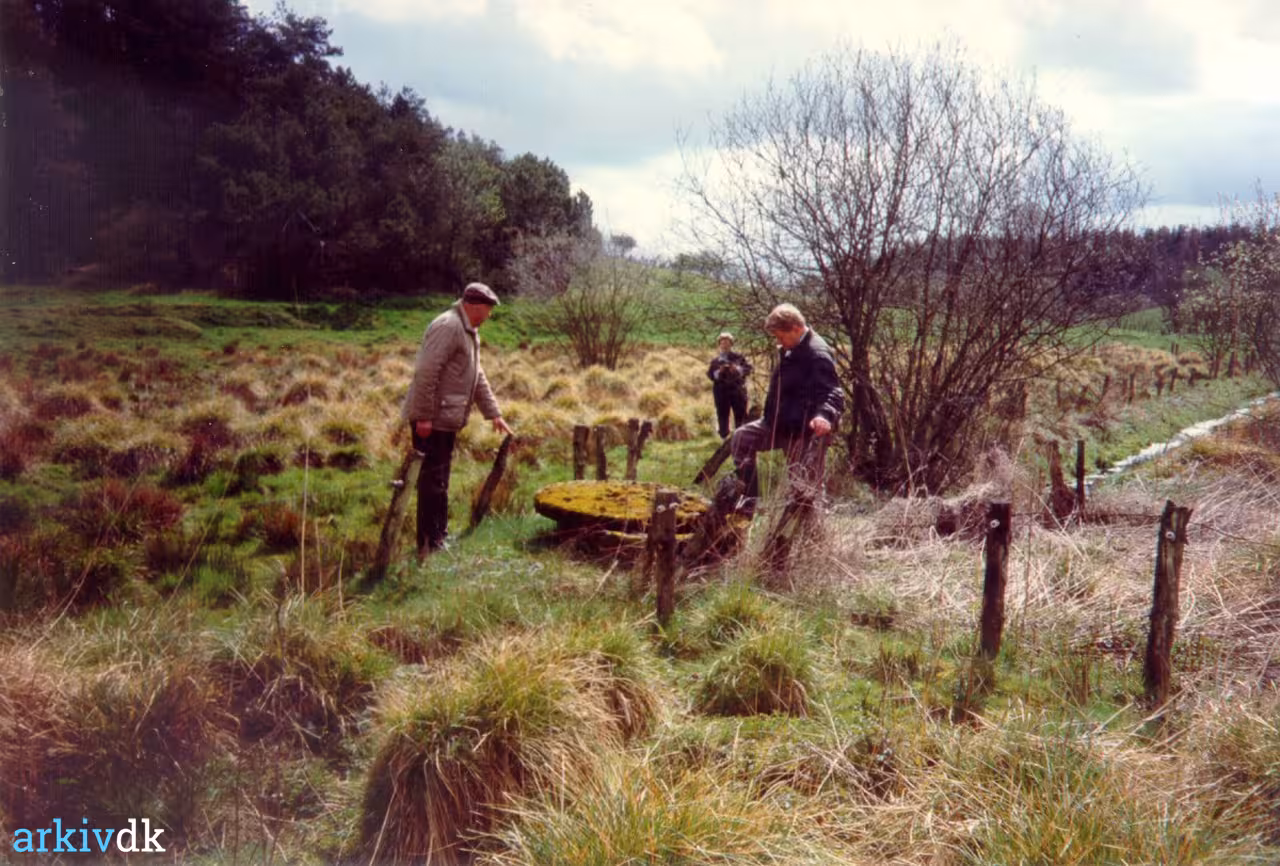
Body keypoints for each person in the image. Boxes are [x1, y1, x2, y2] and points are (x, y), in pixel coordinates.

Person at [401, 282, 514, 558]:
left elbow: (477, 375)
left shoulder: (467, 330)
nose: (489, 315)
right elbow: (426, 372)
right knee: (432, 482)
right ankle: (429, 543)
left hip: (445, 419)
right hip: (433, 420)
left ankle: (438, 537)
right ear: (474, 306)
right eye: (487, 309)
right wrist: (424, 416)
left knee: (440, 481)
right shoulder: (448, 326)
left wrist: (494, 413)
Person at [729, 303, 844, 515]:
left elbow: (832, 392)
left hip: (804, 433)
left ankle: (813, 531)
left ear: (795, 328)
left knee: (805, 491)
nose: (778, 341)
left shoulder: (817, 353)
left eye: (780, 336)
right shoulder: (792, 348)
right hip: (777, 425)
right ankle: (749, 504)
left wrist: (824, 415)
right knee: (742, 439)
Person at [707, 332, 753, 439]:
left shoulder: (739, 358)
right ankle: (724, 439)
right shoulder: (716, 361)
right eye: (722, 343)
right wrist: (719, 372)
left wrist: (737, 370)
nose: (725, 345)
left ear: (731, 344)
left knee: (740, 415)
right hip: (721, 393)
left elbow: (748, 369)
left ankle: (741, 438)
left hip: (737, 391)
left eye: (727, 343)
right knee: (722, 415)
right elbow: (710, 375)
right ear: (719, 344)